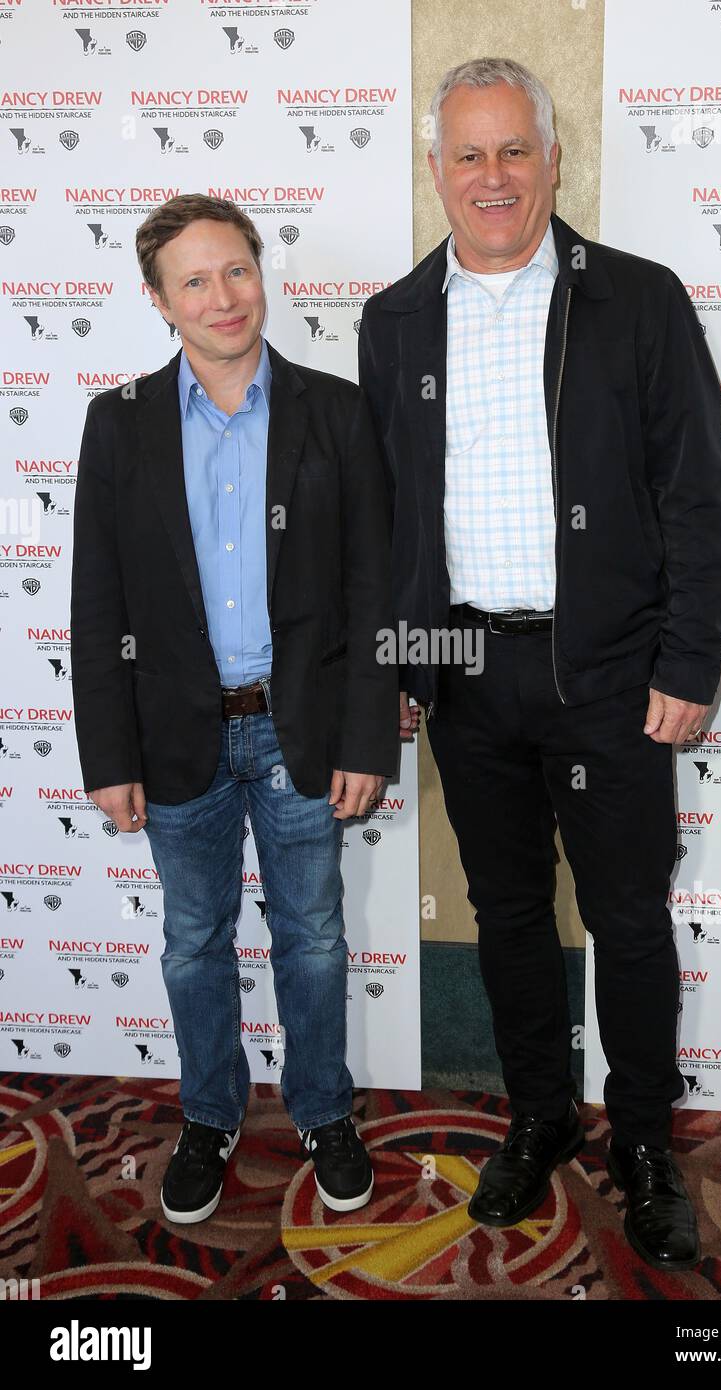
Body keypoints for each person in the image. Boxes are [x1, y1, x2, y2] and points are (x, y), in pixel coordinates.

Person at [358, 58, 721, 1270]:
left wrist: (686, 657)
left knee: (627, 921)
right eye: (466, 155)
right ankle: (534, 1115)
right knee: (509, 912)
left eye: (512, 150)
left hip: (614, 675)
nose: (491, 178)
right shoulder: (394, 319)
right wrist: (404, 669)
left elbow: (694, 497)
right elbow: (389, 519)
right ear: (435, 173)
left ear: (553, 157)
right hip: (467, 670)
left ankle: (638, 1143)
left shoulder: (637, 297)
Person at [70, 194, 399, 1224]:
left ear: (262, 274)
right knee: (193, 941)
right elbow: (98, 601)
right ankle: (209, 1116)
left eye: (237, 271)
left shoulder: (337, 414)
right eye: (196, 280)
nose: (223, 297)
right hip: (176, 739)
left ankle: (321, 1111)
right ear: (159, 301)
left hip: (299, 727)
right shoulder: (115, 424)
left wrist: (365, 731)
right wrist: (106, 753)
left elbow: (370, 590)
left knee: (311, 936)